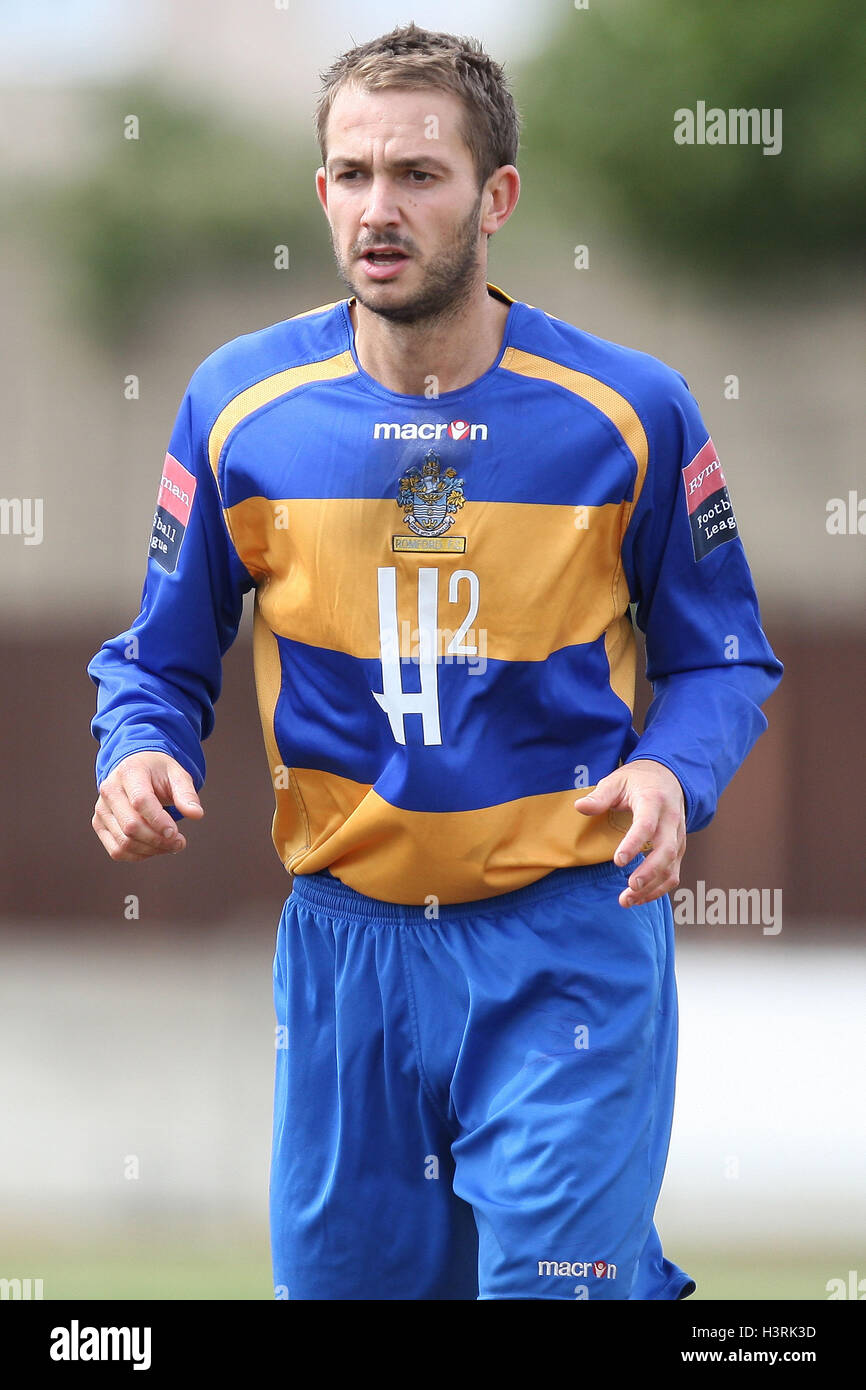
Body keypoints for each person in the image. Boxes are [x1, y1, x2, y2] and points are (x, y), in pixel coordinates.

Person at [88, 22, 783, 1301]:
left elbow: (723, 656)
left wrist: (673, 778)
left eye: (417, 174)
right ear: (320, 193)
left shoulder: (629, 413)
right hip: (347, 955)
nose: (378, 207)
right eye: (351, 175)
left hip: (566, 938)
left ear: (494, 197)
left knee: (557, 1288)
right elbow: (157, 657)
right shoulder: (238, 408)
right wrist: (137, 750)